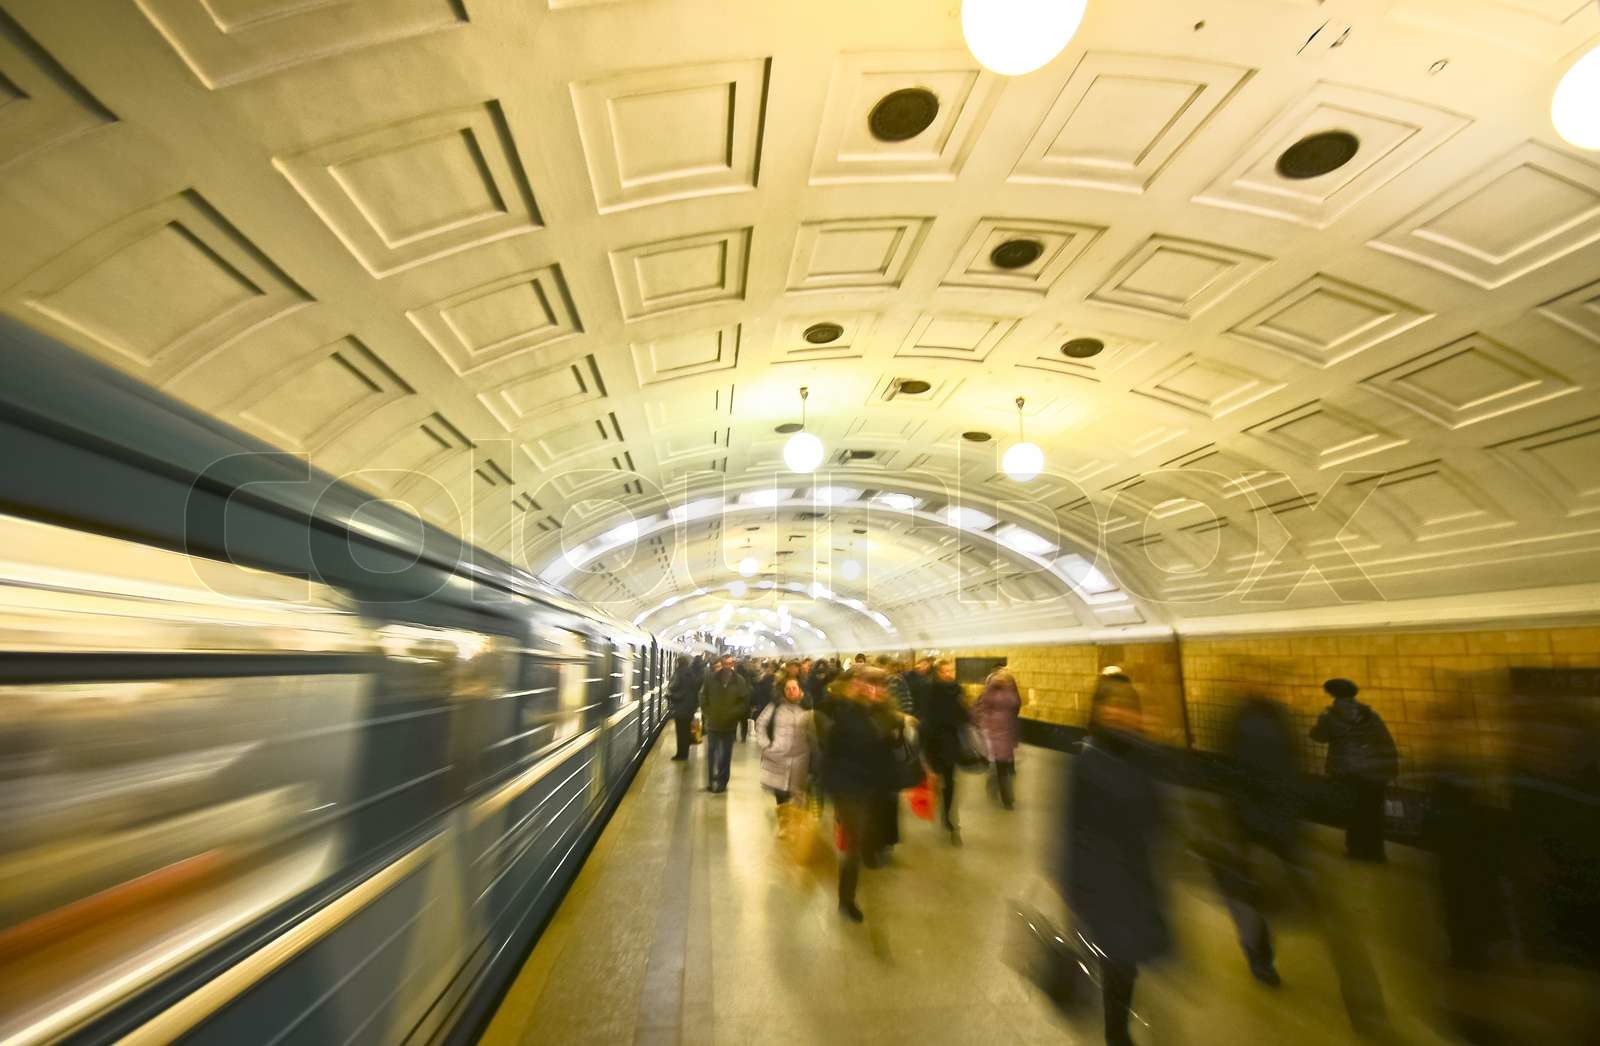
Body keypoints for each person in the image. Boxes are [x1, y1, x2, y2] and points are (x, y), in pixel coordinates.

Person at [1060, 667, 1169, 1046]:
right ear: (1098, 711)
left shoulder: (1145, 756)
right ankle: (1116, 1033)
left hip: (1138, 877)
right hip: (1102, 878)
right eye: (1112, 706)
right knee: (1118, 964)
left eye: (1128, 707)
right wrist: (1073, 889)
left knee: (1128, 964)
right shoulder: (1085, 760)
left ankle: (1117, 1025)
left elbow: (1158, 816)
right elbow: (1069, 828)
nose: (1121, 714)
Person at [817, 666, 895, 922]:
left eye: (876, 684)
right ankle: (846, 899)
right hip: (849, 788)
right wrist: (830, 789)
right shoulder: (843, 712)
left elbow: (885, 745)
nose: (872, 688)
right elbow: (830, 753)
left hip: (871, 786)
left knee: (862, 839)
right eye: (865, 683)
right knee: (853, 846)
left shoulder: (876, 712)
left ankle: (866, 860)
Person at [1310, 678, 1397, 862]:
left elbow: (1318, 737)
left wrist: (1318, 724)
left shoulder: (1330, 717)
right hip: (1374, 772)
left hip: (1348, 773)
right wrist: (1391, 769)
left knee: (1354, 813)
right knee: (1373, 814)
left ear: (1332, 694)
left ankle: (1356, 851)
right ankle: (1376, 854)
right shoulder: (1370, 715)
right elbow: (1385, 742)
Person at [922, 658, 968, 844]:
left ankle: (949, 818)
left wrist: (963, 708)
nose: (949, 674)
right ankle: (938, 802)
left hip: (950, 744)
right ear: (938, 673)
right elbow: (927, 720)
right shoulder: (931, 691)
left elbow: (964, 717)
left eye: (951, 670)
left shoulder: (958, 690)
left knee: (950, 783)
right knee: (936, 780)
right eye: (945, 671)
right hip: (934, 743)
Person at [755, 678, 812, 805]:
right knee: (782, 803)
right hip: (778, 762)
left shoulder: (807, 708)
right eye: (788, 689)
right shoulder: (775, 706)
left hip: (800, 764)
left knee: (798, 805)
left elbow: (813, 734)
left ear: (800, 690)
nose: (791, 691)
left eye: (794, 688)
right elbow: (760, 724)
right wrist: (766, 746)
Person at [699, 654, 750, 793]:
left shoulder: (739, 681)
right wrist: (708, 712)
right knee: (712, 753)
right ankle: (711, 781)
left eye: (731, 664)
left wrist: (734, 714)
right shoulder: (711, 678)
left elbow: (744, 702)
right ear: (721, 664)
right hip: (713, 724)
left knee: (725, 755)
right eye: (726, 664)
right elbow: (703, 696)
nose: (729, 666)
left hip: (729, 725)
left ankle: (722, 781)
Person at [974, 667, 1024, 809]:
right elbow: (984, 707)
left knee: (1002, 765)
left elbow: (1017, 705)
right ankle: (1006, 798)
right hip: (996, 732)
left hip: (1005, 731)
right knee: (1001, 766)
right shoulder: (997, 690)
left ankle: (1003, 794)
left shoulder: (1004, 689)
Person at [667, 655, 704, 761]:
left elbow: (674, 686)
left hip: (681, 706)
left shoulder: (679, 673)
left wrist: (671, 695)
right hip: (690, 706)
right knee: (686, 731)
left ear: (679, 663)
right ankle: (685, 753)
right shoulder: (691, 673)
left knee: (680, 731)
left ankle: (680, 754)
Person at [903, 657, 932, 722]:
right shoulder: (908, 676)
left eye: (927, 665)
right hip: (911, 710)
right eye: (923, 664)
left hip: (923, 712)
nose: (925, 667)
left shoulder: (928, 679)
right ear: (917, 664)